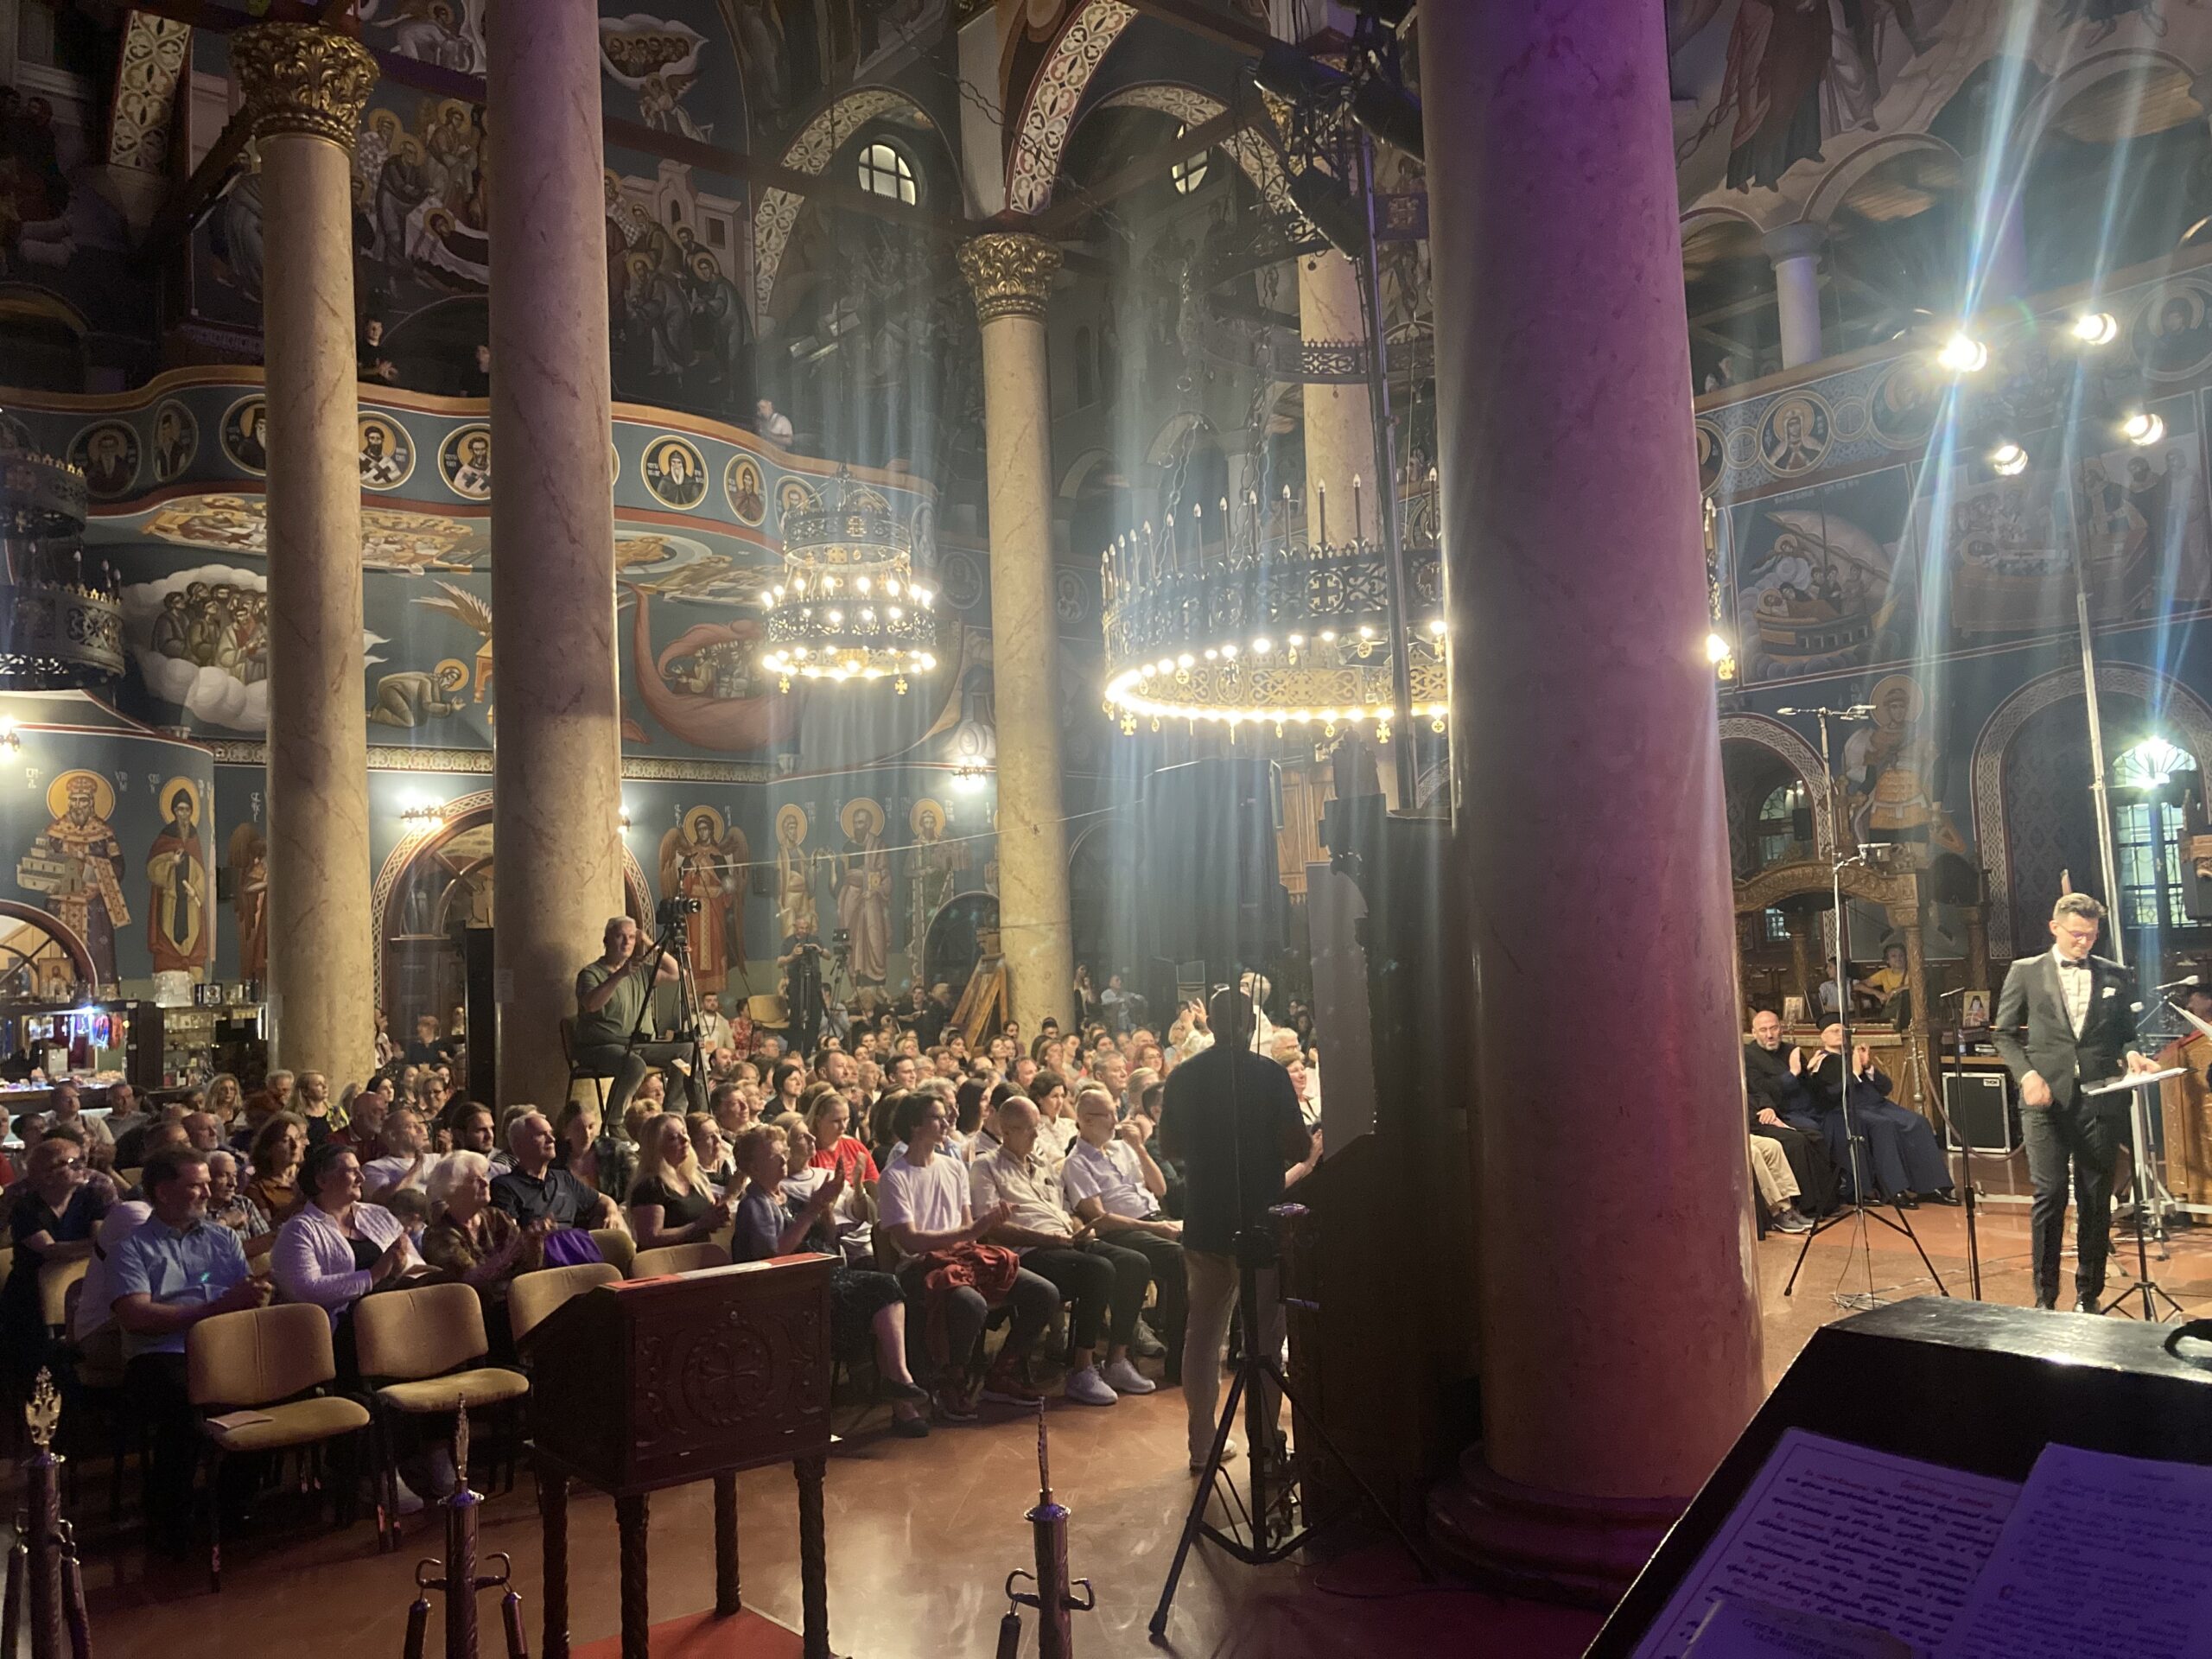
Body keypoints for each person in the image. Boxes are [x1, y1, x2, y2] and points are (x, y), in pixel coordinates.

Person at [1158, 986, 1313, 1471]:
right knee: (1266, 1334)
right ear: (1248, 1025)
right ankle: (1266, 1444)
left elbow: (1170, 1148)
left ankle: (1201, 1446)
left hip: (1204, 1217)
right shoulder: (1267, 1073)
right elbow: (1298, 1144)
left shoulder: (1184, 1076)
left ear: (1214, 1024)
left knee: (1202, 1334)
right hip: (1259, 1217)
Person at [1993, 892, 2156, 1313]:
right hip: (2044, 1100)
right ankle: (2045, 1296)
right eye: (2077, 935)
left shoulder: (2114, 974)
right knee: (2050, 1195)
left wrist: (2133, 1051)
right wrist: (2027, 1075)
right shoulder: (2025, 971)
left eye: (2092, 935)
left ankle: (2089, 1294)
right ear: (2055, 928)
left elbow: (2126, 1032)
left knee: (2095, 1197)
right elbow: (2003, 1033)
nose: (2085, 943)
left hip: (2099, 1100)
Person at [110, 1147, 272, 1555]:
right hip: (161, 1351)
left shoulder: (223, 1238)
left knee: (272, 1386)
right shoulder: (131, 1248)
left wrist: (258, 1296)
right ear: (163, 1192)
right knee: (187, 1405)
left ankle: (232, 1506)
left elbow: (243, 1300)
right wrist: (213, 1308)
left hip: (222, 1342)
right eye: (196, 1185)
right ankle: (171, 1515)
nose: (208, 1192)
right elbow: (136, 1316)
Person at [729, 1123, 929, 1437]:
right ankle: (901, 1391)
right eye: (774, 1155)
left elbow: (829, 1241)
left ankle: (901, 1392)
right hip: (790, 1291)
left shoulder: (784, 1195)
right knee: (881, 1291)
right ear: (753, 1167)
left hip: (824, 1276)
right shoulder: (754, 1204)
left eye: (783, 1152)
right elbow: (772, 1256)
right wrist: (813, 1208)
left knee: (885, 1293)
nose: (783, 1159)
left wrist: (827, 1209)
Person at [874, 1091, 1058, 1419]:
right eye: (937, 1117)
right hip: (921, 1266)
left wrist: (976, 1230)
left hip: (961, 1256)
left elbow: (964, 1224)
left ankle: (1001, 1373)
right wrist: (974, 1231)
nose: (947, 1122)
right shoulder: (894, 1177)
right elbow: (912, 1241)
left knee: (1044, 1292)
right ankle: (951, 1380)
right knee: (970, 1304)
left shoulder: (952, 1166)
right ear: (915, 1125)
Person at [971, 1096, 1155, 1407]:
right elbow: (992, 1228)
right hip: (1028, 1250)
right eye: (1028, 1129)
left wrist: (1076, 1226)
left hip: (1065, 1240)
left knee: (1134, 1263)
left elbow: (1066, 1208)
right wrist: (1051, 1240)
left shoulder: (1042, 1164)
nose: (1035, 1135)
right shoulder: (986, 1166)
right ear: (1006, 1130)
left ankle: (1116, 1361)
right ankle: (1082, 1370)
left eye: (1037, 1128)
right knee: (1099, 1270)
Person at [1062, 1083, 1185, 1382]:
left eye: (1115, 1112)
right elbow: (1100, 1218)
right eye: (1107, 1115)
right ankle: (1178, 1358)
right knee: (1182, 1257)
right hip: (1120, 1231)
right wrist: (1154, 1227)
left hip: (1155, 1218)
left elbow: (1160, 1188)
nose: (1115, 1121)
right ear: (1086, 1119)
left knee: (1206, 1246)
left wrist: (1139, 1148)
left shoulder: (1122, 1149)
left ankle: (1191, 1350)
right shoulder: (1075, 1162)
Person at [270, 1141, 420, 1333]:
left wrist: (409, 1268)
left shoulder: (378, 1215)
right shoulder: (300, 1230)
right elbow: (307, 1290)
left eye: (360, 1170)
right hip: (345, 1327)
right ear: (322, 1181)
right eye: (352, 1171)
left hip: (397, 1311)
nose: (362, 1178)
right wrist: (374, 1275)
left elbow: (414, 1265)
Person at [1802, 1026, 1958, 1210]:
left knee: (1918, 1122)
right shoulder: (1821, 1062)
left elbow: (1885, 1088)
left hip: (1880, 1106)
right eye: (1834, 1031)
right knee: (1883, 1126)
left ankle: (1933, 1186)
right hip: (1848, 1110)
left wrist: (1868, 1067)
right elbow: (1827, 1096)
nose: (1840, 1034)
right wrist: (1854, 1074)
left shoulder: (1854, 1056)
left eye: (1843, 1031)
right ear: (1822, 1037)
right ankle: (1895, 1189)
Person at [574, 915, 707, 1125]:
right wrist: (619, 975)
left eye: (631, 937)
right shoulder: (591, 973)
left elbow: (678, 973)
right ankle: (615, 1122)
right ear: (607, 940)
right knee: (634, 1065)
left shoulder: (642, 972)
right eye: (620, 937)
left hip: (641, 1044)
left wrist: (649, 943)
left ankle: (673, 1117)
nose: (627, 942)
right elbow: (591, 1005)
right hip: (603, 1047)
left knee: (688, 1051)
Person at [3, 1137, 108, 1392]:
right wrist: (96, 1246)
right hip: (30, 1296)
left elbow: (101, 1237)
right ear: (46, 1175)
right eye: (71, 1163)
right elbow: (52, 1251)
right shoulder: (26, 1208)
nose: (81, 1166)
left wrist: (98, 1244)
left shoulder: (90, 1197)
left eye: (80, 1160)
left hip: (85, 1288)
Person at [422, 1150, 546, 1349]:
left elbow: (529, 1270)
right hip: (470, 1320)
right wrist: (512, 1252)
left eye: (485, 1176)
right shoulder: (439, 1234)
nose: (486, 1182)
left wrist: (534, 1243)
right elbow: (472, 1280)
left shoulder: (497, 1217)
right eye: (475, 1179)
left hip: (513, 1306)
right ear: (453, 1190)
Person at [1741, 1010, 1840, 1217]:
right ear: (1754, 1032)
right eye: (1764, 1030)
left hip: (1807, 1109)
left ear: (1781, 1028)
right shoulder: (1748, 1055)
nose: (1770, 1034)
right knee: (1809, 1135)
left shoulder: (1791, 1050)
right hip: (1779, 1111)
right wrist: (1792, 1074)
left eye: (1774, 1028)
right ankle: (1813, 1204)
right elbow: (1760, 1088)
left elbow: (1809, 1087)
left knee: (1836, 1126)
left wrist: (1812, 1072)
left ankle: (1835, 1196)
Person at [492, 1111, 620, 1231]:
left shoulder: (563, 1178)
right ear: (519, 1145)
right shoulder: (504, 1187)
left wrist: (612, 1213)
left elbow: (603, 1199)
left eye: (550, 1133)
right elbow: (509, 1238)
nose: (552, 1140)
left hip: (573, 1247)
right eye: (541, 1134)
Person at [626, 1111, 734, 1252]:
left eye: (684, 1132)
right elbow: (650, 1238)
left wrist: (719, 1215)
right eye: (673, 1138)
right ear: (657, 1147)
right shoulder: (650, 1186)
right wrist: (699, 1225)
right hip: (670, 1262)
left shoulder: (695, 1178)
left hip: (701, 1255)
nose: (685, 1140)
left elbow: (709, 1219)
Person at [554, 1096, 635, 1209]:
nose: (587, 1134)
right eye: (578, 1129)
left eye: (591, 1127)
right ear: (565, 1131)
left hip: (614, 1213)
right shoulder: (555, 1158)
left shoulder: (613, 1151)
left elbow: (636, 1188)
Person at [205, 1147, 275, 1257]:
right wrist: (224, 1222)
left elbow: (267, 1244)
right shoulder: (195, 1209)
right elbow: (202, 1251)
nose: (233, 1183)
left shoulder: (244, 1204)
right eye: (223, 1175)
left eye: (234, 1176)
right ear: (206, 1178)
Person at [245, 1109, 308, 1224]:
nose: (295, 1145)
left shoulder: (312, 1177)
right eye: (285, 1140)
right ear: (269, 1148)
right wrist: (297, 1203)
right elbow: (266, 1231)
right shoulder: (257, 1189)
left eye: (298, 1138)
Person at [361, 1104, 435, 1201]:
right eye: (411, 1126)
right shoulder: (374, 1168)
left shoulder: (436, 1159)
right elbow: (389, 1199)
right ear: (393, 1136)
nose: (421, 1130)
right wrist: (417, 1165)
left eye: (419, 1125)